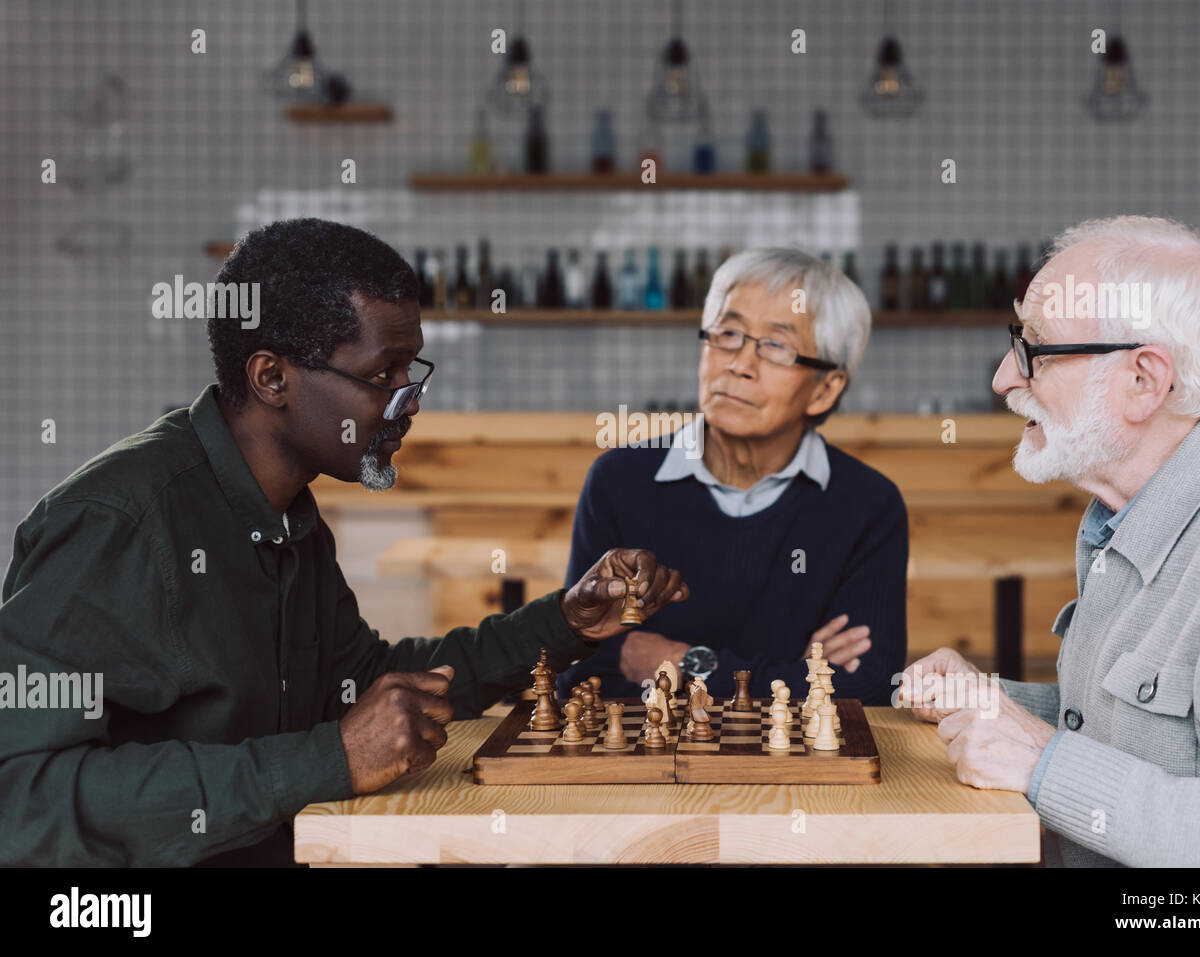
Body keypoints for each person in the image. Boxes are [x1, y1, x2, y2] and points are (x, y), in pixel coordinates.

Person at [0, 218, 688, 867]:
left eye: (411, 371)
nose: (408, 400)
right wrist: (330, 758)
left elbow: (367, 684)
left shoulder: (290, 514)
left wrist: (565, 621)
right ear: (273, 378)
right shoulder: (121, 520)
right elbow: (22, 798)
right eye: (381, 374)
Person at [904, 215, 1200, 866]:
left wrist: (1042, 763)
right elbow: (1177, 742)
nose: (1004, 378)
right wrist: (1001, 706)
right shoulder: (1134, 507)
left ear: (1145, 380)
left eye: (1036, 349)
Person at [561, 248, 907, 704]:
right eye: (727, 333)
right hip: (643, 765)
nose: (739, 363)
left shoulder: (867, 505)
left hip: (803, 772)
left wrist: (686, 664)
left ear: (826, 389)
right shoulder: (620, 481)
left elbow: (867, 687)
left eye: (776, 346)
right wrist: (794, 675)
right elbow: (581, 671)